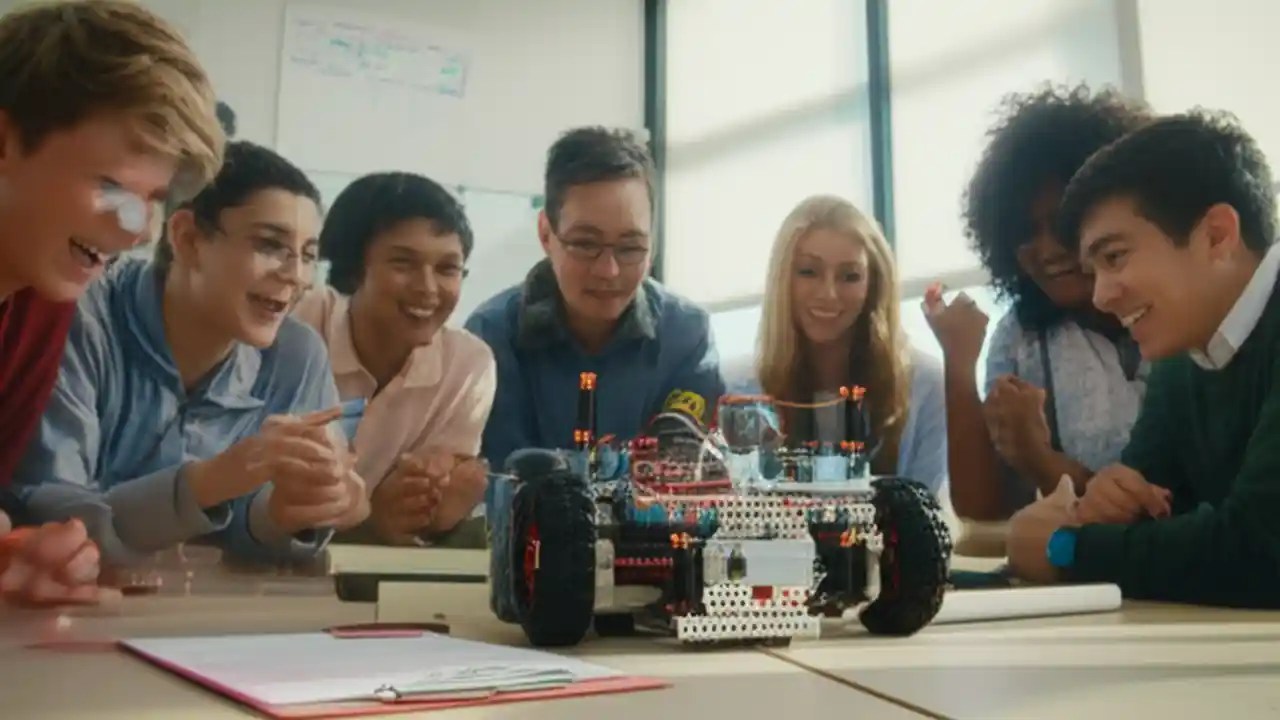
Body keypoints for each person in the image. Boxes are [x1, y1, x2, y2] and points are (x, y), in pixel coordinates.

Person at [13, 140, 369, 568]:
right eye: (269, 245)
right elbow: (48, 519)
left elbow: (260, 527)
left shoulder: (297, 355)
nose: (296, 276)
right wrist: (210, 481)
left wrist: (287, 511)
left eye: (309, 255)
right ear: (187, 238)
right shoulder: (78, 314)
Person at [1007, 110, 1280, 606]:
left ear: (1217, 236)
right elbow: (1148, 515)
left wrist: (1063, 549)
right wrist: (1109, 504)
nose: (1100, 296)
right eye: (1093, 270)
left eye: (1114, 257)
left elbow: (1257, 551)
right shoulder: (1184, 357)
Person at [0, 1, 223, 604]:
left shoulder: (43, 300)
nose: (137, 230)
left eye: (152, 199)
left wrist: (13, 557)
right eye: (112, 186)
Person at [922, 84, 1152, 521]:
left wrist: (1041, 460)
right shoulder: (1020, 338)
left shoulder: (1173, 310)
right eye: (1024, 232)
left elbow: (1169, 506)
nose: (1047, 250)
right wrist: (959, 361)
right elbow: (982, 509)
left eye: (1063, 223)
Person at [465, 126, 724, 472]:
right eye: (586, 244)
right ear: (546, 234)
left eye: (630, 248)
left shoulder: (686, 335)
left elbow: (683, 470)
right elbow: (503, 477)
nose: (608, 271)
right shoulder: (490, 337)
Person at [294, 172, 496, 547]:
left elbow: (425, 511)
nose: (428, 288)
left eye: (447, 268)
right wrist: (371, 521)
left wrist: (436, 508)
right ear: (354, 268)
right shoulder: (298, 325)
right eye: (403, 263)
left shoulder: (468, 365)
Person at [721, 195, 947, 494]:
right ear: (782, 278)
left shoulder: (926, 385)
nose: (828, 293)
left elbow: (930, 510)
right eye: (808, 272)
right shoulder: (735, 392)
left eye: (849, 276)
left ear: (874, 284)